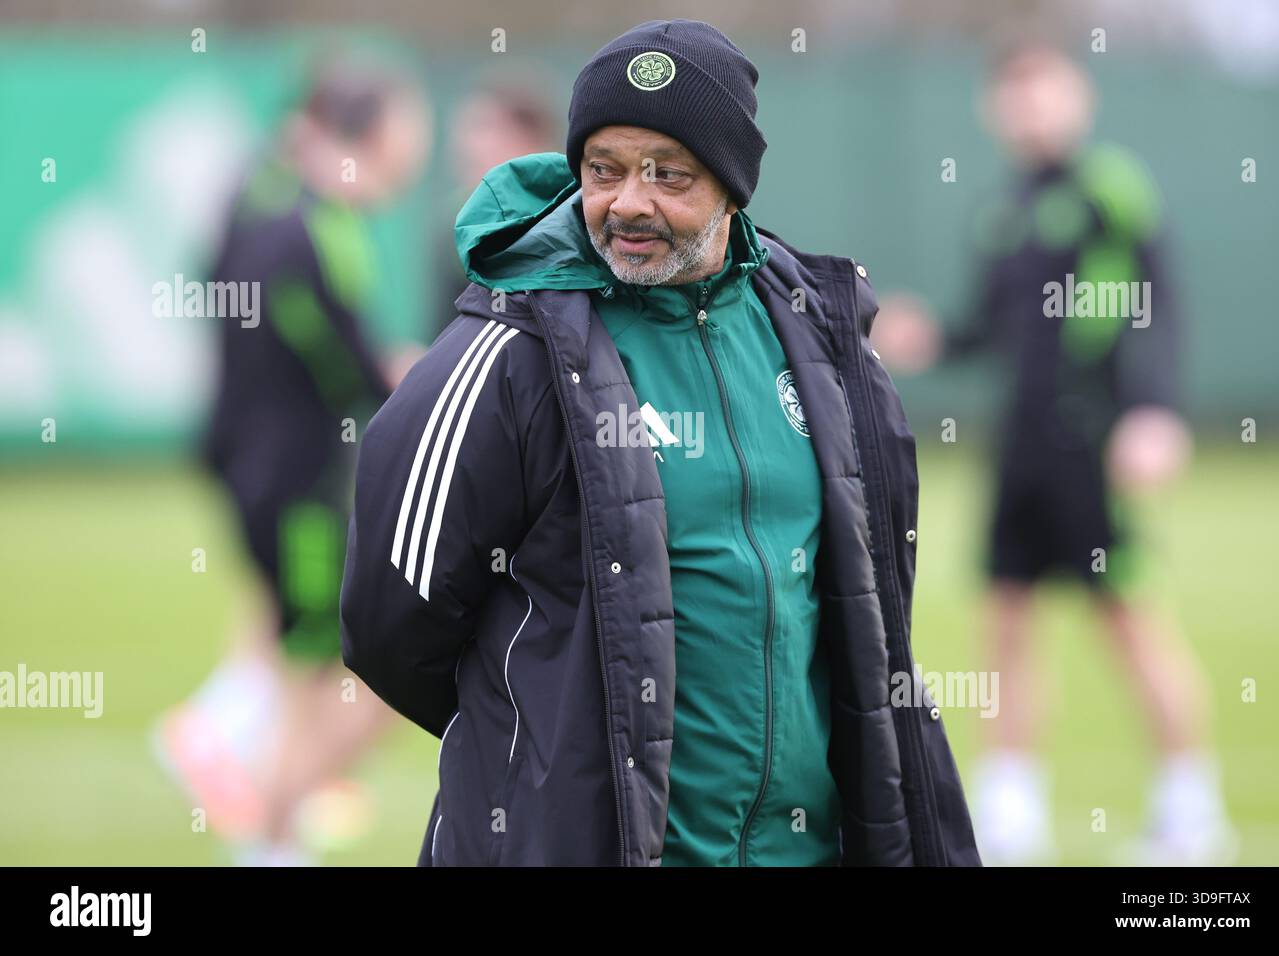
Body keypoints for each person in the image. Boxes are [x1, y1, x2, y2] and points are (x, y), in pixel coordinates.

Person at [340, 19, 979, 867]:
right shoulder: (512, 348)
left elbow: (873, 602)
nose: (629, 201)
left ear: (732, 184)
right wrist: (543, 758)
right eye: (603, 169)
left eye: (667, 174)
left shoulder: (819, 333)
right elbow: (391, 623)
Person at [872, 41, 1235, 865]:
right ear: (994, 109)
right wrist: (925, 335)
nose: (1029, 108)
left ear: (1078, 97)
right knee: (1004, 621)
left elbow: (1159, 302)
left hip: (1094, 441)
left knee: (1128, 620)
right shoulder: (1004, 209)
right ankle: (1011, 809)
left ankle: (1191, 808)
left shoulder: (1109, 189)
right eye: (1013, 94)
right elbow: (986, 330)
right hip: (1022, 447)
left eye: (1044, 91)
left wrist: (1152, 411)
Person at [154, 61, 432, 866]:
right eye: (401, 142)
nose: (407, 163)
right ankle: (266, 811)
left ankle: (252, 770)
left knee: (307, 655)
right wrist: (402, 380)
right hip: (294, 479)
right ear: (363, 138)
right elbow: (337, 355)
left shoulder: (267, 200)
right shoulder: (307, 224)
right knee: (348, 673)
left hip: (256, 463)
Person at [428, 78, 559, 341]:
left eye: (483, 127)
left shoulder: (566, 219)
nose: (466, 143)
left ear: (529, 141)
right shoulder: (455, 226)